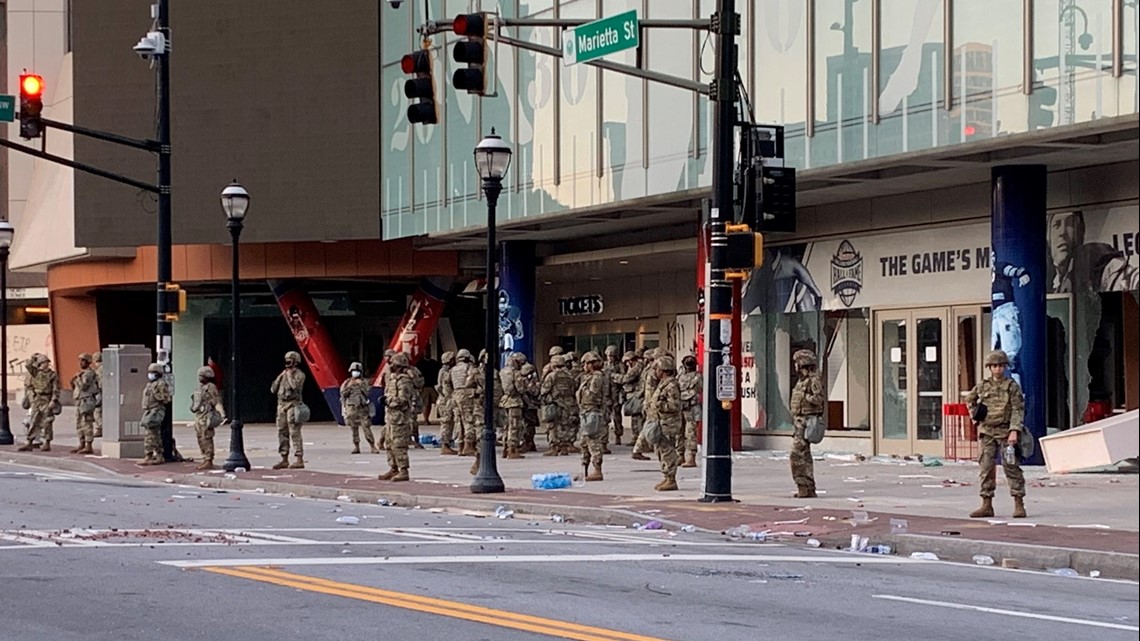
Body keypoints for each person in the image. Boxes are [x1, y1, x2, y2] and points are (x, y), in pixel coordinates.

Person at [965, 350, 1028, 519]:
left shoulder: (1012, 386)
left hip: (1006, 431)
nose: (997, 369)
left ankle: (1018, 502)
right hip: (988, 431)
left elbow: (1017, 409)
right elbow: (969, 400)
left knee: (1011, 466)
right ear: (989, 368)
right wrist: (975, 417)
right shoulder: (983, 386)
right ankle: (986, 504)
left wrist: (1014, 430)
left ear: (1005, 367)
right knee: (986, 467)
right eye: (994, 366)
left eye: (1000, 366)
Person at [789, 349, 823, 498]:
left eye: (797, 363)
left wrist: (806, 396)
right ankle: (807, 488)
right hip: (799, 422)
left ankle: (804, 486)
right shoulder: (802, 380)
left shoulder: (813, 380)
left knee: (796, 456)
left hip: (807, 422)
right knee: (804, 456)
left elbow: (819, 400)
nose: (795, 366)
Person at [378, 352, 416, 482]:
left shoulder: (404, 381)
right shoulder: (392, 379)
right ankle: (393, 468)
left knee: (399, 445)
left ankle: (403, 470)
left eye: (393, 364)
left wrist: (388, 401)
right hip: (391, 417)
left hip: (400, 418)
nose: (390, 366)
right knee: (389, 444)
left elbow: (403, 400)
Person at [648, 356, 682, 491]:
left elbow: (674, 405)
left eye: (657, 369)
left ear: (663, 370)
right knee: (660, 450)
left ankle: (671, 478)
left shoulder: (671, 385)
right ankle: (667, 475)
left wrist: (660, 405)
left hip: (668, 424)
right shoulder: (663, 384)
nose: (655, 371)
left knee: (667, 451)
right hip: (660, 422)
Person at [270, 350, 307, 470]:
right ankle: (284, 458)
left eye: (290, 360)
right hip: (281, 405)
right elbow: (273, 389)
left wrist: (290, 375)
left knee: (294, 431)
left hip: (293, 405)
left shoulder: (299, 375)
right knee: (282, 431)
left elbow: (295, 387)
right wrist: (280, 377)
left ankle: (299, 459)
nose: (288, 362)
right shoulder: (283, 374)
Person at [18, 353, 60, 452]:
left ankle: (47, 442)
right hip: (37, 399)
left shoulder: (52, 375)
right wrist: (33, 358)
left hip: (47, 399)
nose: (46, 364)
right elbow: (28, 365)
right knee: (33, 420)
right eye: (44, 362)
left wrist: (53, 400)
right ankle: (29, 441)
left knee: (47, 421)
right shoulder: (36, 372)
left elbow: (56, 389)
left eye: (47, 362)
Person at [575, 352, 607, 481]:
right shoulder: (588, 377)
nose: (583, 366)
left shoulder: (597, 377)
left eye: (585, 363)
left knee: (593, 441)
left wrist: (582, 391)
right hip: (585, 411)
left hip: (592, 411)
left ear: (591, 364)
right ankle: (585, 470)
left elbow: (592, 395)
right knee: (584, 443)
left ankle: (597, 470)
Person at [341, 361, 380, 454]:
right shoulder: (347, 382)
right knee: (354, 428)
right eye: (354, 371)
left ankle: (372, 446)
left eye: (357, 371)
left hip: (362, 408)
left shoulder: (364, 382)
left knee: (366, 427)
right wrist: (350, 386)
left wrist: (361, 385)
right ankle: (356, 446)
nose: (355, 372)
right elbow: (343, 394)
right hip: (351, 408)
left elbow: (368, 393)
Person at [191, 365, 225, 470]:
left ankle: (208, 460)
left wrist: (221, 413)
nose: (200, 378)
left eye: (202, 376)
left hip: (206, 417)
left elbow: (216, 401)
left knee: (206, 438)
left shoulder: (211, 387)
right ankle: (204, 458)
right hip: (199, 416)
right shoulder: (200, 387)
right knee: (200, 438)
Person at [139, 363, 172, 466]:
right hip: (149, 410)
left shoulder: (161, 384)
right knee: (155, 435)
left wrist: (157, 394)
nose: (150, 374)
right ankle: (159, 455)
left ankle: (149, 455)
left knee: (150, 434)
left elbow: (166, 398)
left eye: (153, 372)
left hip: (156, 410)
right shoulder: (150, 384)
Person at [70, 353, 100, 455]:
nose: (80, 363)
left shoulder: (89, 373)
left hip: (86, 400)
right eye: (80, 361)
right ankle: (81, 443)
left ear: (88, 362)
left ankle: (88, 445)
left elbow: (84, 387)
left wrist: (77, 378)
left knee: (86, 423)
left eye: (83, 361)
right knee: (79, 423)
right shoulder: (82, 373)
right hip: (80, 400)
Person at [499, 351, 528, 459]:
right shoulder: (516, 373)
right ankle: (512, 449)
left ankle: (505, 447)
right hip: (514, 402)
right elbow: (521, 389)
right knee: (515, 426)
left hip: (505, 401)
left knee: (506, 426)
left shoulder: (502, 372)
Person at [677, 354, 701, 468]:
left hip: (692, 408)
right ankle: (680, 455)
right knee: (679, 432)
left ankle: (691, 457)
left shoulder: (697, 377)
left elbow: (699, 390)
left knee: (690, 433)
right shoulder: (680, 376)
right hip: (682, 407)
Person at [436, 351, 458, 455]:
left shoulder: (444, 371)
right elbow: (446, 389)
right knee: (447, 423)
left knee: (449, 423)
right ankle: (445, 445)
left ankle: (447, 443)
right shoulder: (446, 372)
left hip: (445, 400)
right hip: (446, 401)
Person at [91, 351, 104, 438]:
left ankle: (100, 427)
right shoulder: (107, 367)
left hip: (101, 392)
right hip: (106, 392)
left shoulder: (100, 370)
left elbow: (101, 383)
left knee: (97, 410)